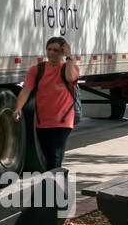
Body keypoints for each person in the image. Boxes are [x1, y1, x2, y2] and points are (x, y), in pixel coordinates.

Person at [13, 37, 80, 169]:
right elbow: (26, 90)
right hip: (42, 121)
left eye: (55, 50)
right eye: (49, 49)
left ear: (62, 52)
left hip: (62, 121)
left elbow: (70, 78)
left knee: (55, 156)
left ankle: (52, 188)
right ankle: (55, 186)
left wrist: (69, 57)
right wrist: (18, 108)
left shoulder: (70, 68)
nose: (51, 53)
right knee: (47, 157)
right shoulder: (37, 70)